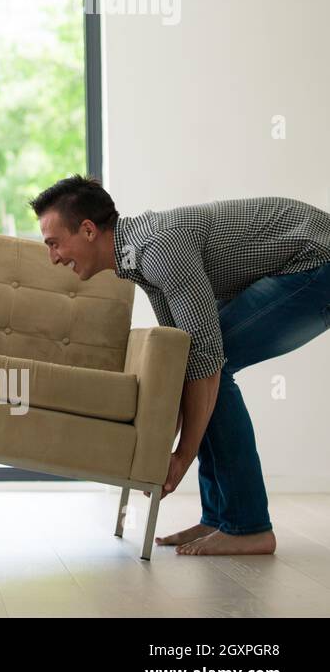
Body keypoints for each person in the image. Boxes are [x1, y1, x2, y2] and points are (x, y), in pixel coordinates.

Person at [29, 175, 330, 556]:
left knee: (218, 362)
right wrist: (157, 452)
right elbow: (181, 360)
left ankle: (248, 525)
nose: (53, 257)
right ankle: (222, 517)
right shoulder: (139, 259)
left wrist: (181, 458)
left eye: (54, 243)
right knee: (200, 363)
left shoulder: (159, 250)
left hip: (318, 262)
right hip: (304, 262)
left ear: (88, 230)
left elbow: (206, 362)